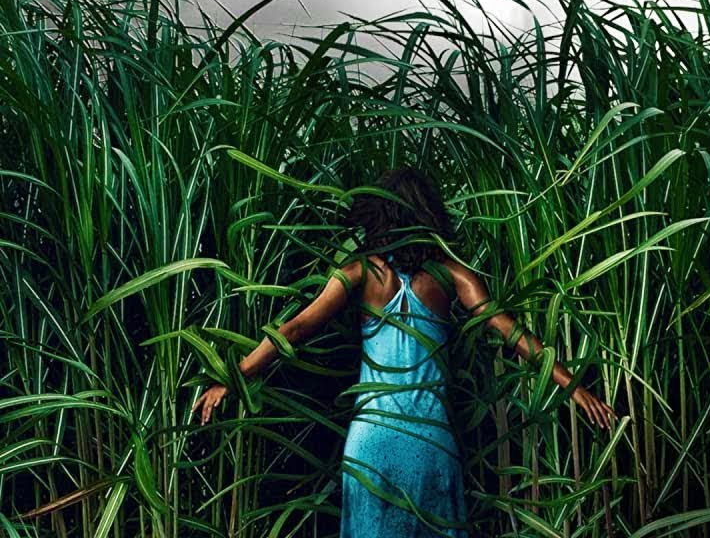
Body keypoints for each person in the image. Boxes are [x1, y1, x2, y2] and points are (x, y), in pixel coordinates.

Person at [191, 166, 617, 537]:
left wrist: (232, 378)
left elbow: (295, 329)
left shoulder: (360, 271)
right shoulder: (454, 276)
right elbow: (511, 332)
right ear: (430, 214)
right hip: (430, 442)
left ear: (379, 214)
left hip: (371, 443)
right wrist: (574, 387)